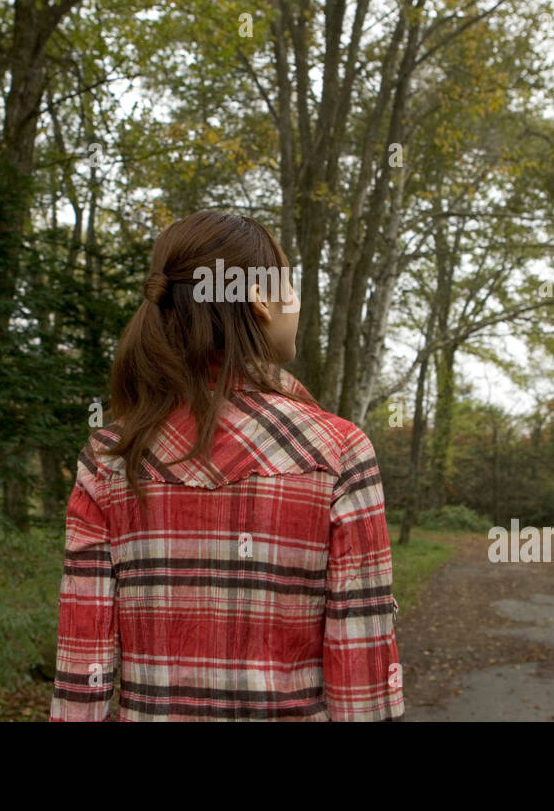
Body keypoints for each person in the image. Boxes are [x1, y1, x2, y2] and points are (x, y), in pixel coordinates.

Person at [51, 211, 404, 720]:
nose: (299, 306)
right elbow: (361, 657)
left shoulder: (109, 457)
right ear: (261, 301)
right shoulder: (339, 449)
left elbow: (83, 661)